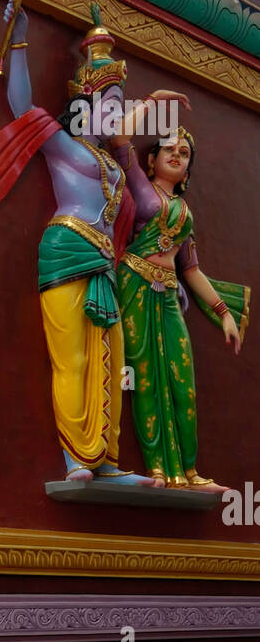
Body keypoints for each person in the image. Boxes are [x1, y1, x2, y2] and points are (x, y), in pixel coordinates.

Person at [0, 2, 185, 484]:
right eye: (109, 103)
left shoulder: (112, 163)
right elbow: (22, 106)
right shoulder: (65, 145)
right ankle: (74, 459)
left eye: (120, 104)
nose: (116, 112)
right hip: (66, 252)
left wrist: (139, 124)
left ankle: (104, 460)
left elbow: (147, 209)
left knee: (112, 357)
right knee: (74, 358)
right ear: (83, 107)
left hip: (104, 262)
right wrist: (20, 37)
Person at [111, 126, 249, 489]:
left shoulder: (185, 214)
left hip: (169, 294)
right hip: (136, 285)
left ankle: (188, 471)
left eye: (184, 153)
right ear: (151, 160)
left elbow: (191, 269)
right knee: (145, 376)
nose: (176, 154)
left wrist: (223, 313)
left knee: (182, 380)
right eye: (168, 149)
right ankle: (158, 469)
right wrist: (154, 101)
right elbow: (120, 139)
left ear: (187, 171)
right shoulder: (141, 187)